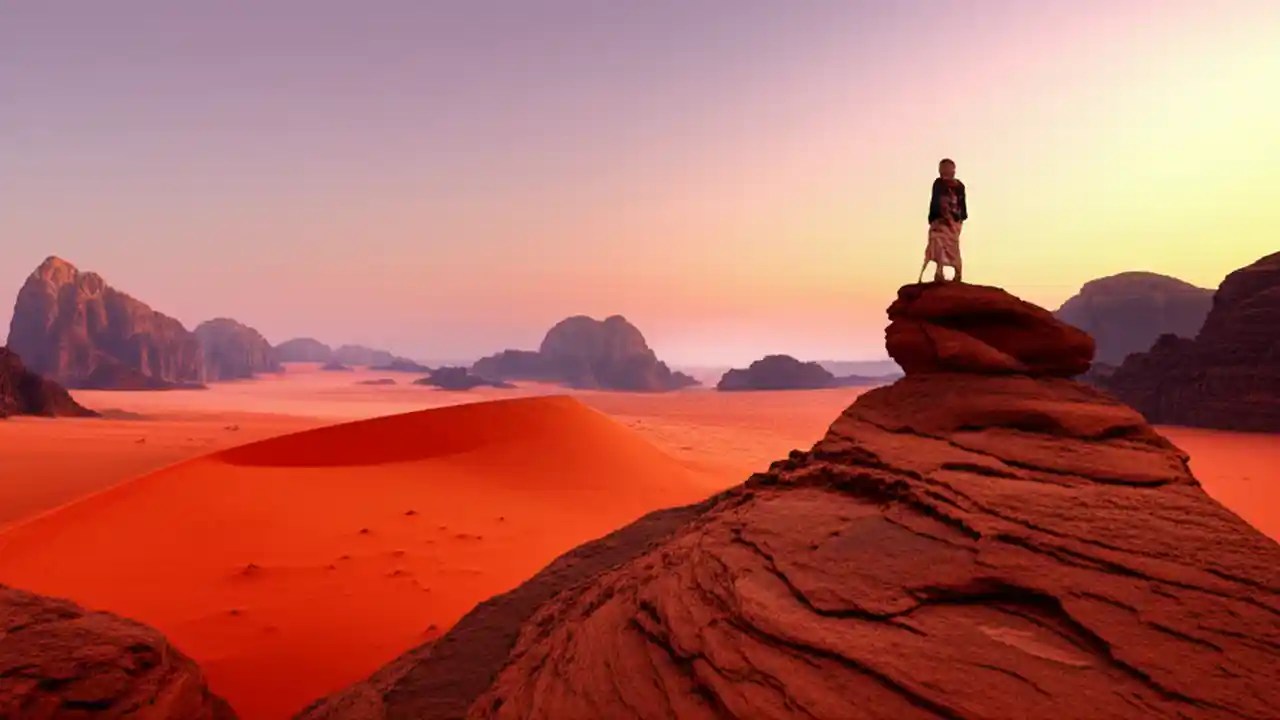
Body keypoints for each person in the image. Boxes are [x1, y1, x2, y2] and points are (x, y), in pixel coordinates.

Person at [919, 158, 968, 283]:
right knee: (937, 243)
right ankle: (939, 271)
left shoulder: (959, 186)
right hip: (940, 220)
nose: (943, 171)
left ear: (953, 170)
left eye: (946, 168)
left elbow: (962, 203)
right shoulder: (938, 183)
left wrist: (960, 217)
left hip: (953, 220)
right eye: (942, 168)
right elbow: (934, 200)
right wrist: (933, 217)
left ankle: (958, 273)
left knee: (952, 246)